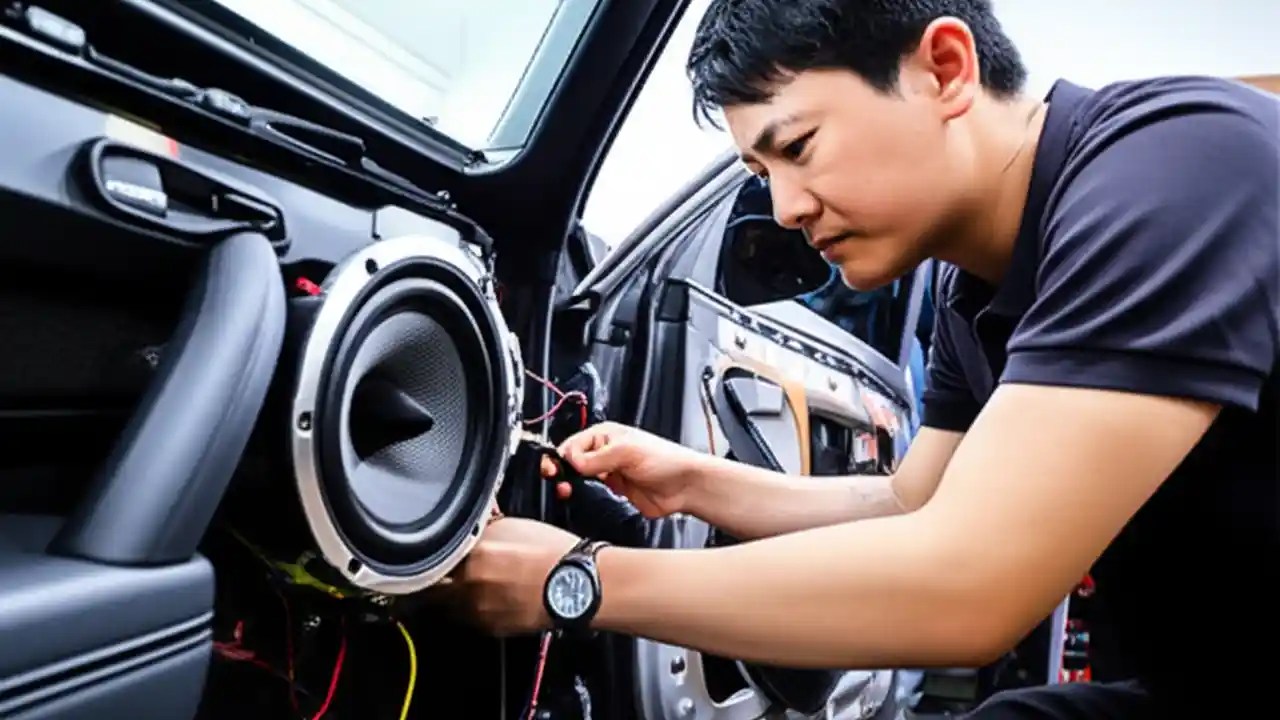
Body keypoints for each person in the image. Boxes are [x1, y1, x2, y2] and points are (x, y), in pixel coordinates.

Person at [440, 1, 1279, 716]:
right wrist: (695, 482)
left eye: (797, 147)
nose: (786, 208)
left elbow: (967, 584)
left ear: (945, 68)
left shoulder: (1176, 167)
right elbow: (916, 503)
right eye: (759, 171)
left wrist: (581, 583)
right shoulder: (969, 288)